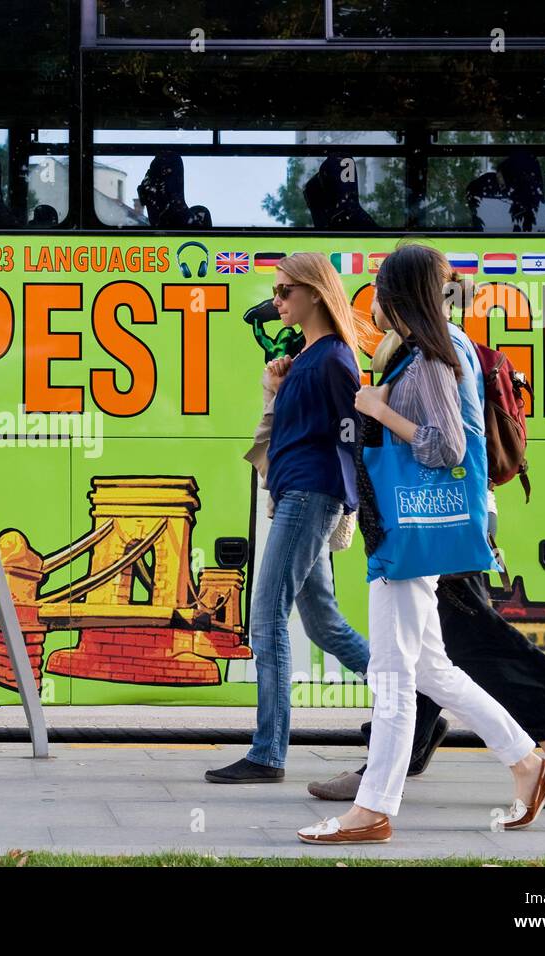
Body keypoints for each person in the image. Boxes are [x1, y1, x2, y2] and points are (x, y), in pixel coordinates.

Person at [298, 243, 545, 844]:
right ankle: (528, 762)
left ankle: (372, 809)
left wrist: (377, 408)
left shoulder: (429, 359)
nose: (372, 301)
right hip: (414, 528)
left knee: (393, 672)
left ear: (397, 296)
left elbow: (445, 448)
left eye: (379, 289)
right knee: (429, 667)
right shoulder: (437, 349)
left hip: (411, 531)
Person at [205, 252, 370, 784]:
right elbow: (300, 429)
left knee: (266, 618)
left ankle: (268, 753)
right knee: (323, 623)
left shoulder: (333, 359)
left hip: (309, 496)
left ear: (315, 293)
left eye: (284, 291)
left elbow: (353, 434)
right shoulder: (309, 357)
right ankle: (413, 699)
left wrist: (345, 500)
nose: (275, 301)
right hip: (299, 494)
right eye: (275, 292)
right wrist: (280, 389)